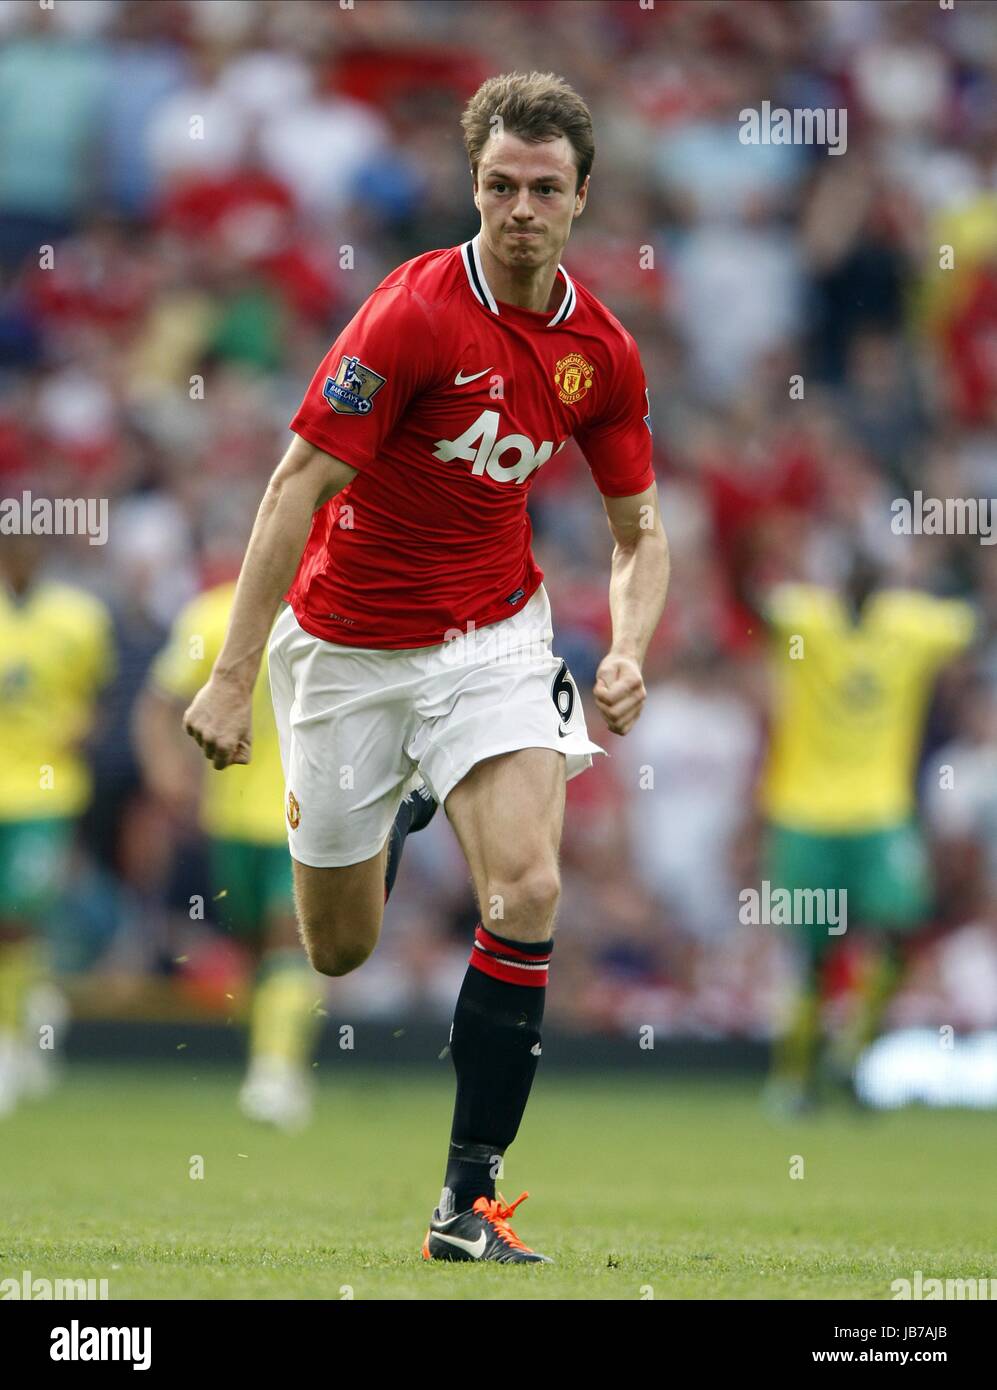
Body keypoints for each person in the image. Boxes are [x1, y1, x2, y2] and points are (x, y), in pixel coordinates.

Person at [182, 71, 669, 1262]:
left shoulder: (599, 353)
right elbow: (297, 483)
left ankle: (467, 1205)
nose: (518, 208)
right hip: (346, 651)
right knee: (337, 949)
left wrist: (630, 648)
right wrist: (234, 675)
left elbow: (640, 531)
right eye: (498, 185)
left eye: (543, 189)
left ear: (580, 197)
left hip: (496, 636)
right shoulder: (409, 314)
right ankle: (393, 810)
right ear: (473, 187)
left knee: (528, 891)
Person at [759, 550, 975, 1112]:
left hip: (880, 810)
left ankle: (851, 1047)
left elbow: (972, 623)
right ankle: (796, 1075)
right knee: (812, 952)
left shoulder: (909, 623)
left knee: (904, 925)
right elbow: (749, 605)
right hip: (805, 810)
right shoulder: (805, 615)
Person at [135, 580, 325, 1131]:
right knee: (250, 949)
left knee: (287, 936)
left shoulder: (338, 608)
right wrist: (165, 770)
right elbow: (160, 700)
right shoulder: (213, 616)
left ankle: (275, 1072)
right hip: (229, 817)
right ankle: (271, 1060)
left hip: (305, 814)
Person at [0, 534, 114, 1116]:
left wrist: (83, 728)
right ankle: (36, 1007)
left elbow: (103, 697)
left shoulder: (79, 619)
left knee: (17, 918)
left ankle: (9, 1044)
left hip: (45, 793)